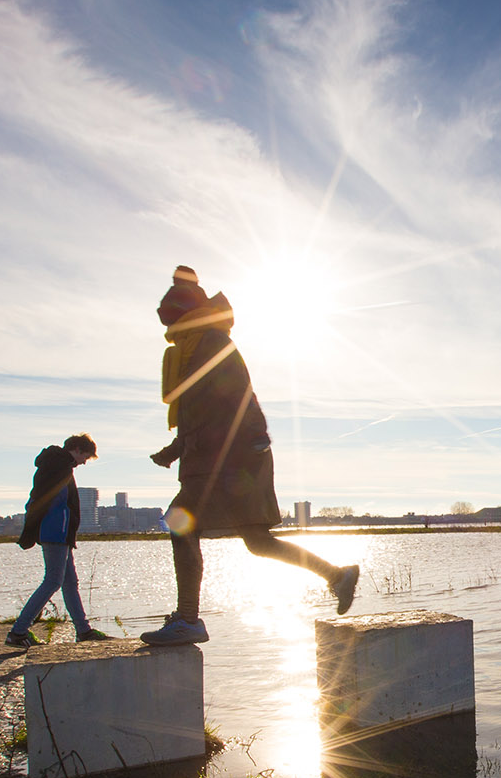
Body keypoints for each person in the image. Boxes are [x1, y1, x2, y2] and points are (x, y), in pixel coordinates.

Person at [142, 266, 359, 645]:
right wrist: (174, 450)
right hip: (225, 458)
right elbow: (201, 411)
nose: (168, 332)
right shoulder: (199, 345)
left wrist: (236, 444)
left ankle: (188, 619)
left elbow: (236, 399)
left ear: (184, 319)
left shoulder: (209, 343)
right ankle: (337, 575)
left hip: (227, 460)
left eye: (171, 321)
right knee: (258, 543)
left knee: (179, 525)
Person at [7, 434, 111, 647]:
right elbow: (44, 500)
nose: (84, 462)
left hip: (60, 533)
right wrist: (57, 526)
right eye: (85, 456)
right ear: (76, 449)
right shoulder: (58, 467)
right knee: (53, 581)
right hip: (55, 533)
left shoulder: (59, 466)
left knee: (70, 582)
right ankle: (18, 631)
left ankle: (83, 630)